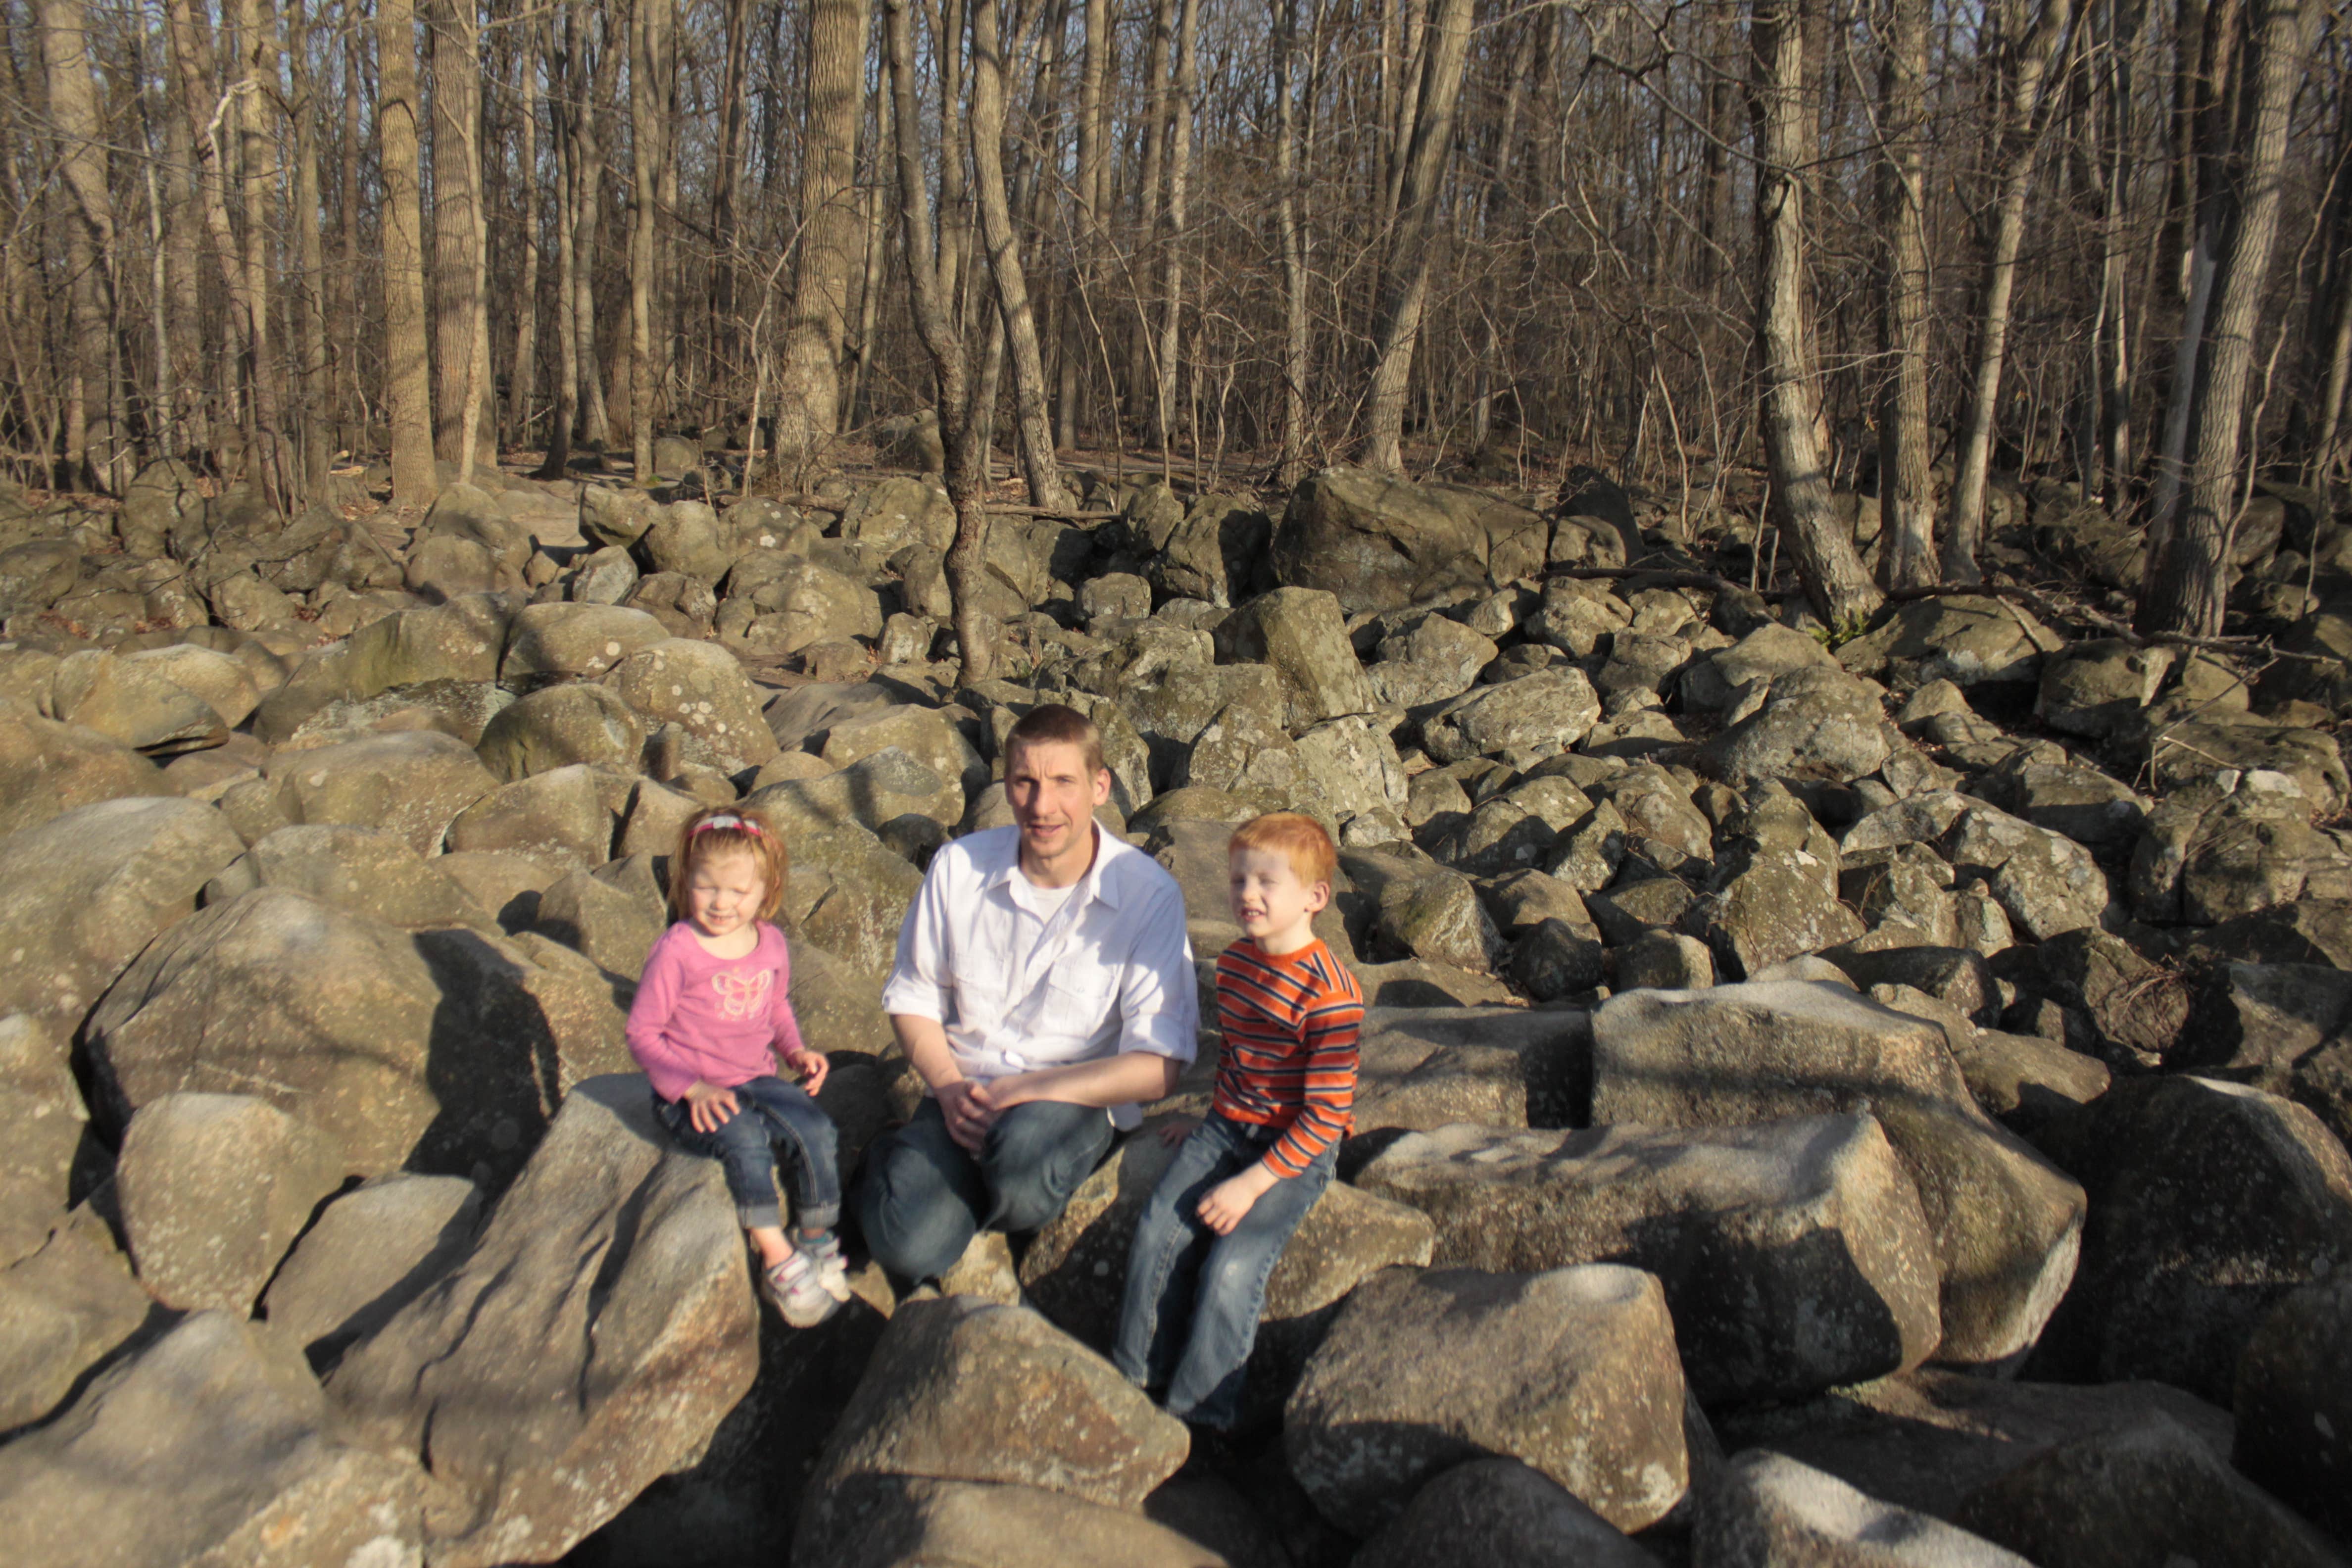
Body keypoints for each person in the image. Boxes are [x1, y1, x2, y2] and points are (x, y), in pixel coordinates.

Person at [858, 703, 1199, 1285]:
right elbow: (913, 998)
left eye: (1063, 782)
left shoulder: (1148, 896)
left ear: (1099, 787)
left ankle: (968, 1193)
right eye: (1025, 782)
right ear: (1007, 786)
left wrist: (1031, 1088)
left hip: (1064, 1103)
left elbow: (1158, 1066)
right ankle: (916, 1172)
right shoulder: (957, 868)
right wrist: (945, 1087)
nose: (1042, 807)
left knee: (1023, 1163)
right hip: (962, 1092)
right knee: (908, 1246)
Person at [1113, 811, 1362, 1433]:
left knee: (1232, 1267)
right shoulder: (1237, 966)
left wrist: (1253, 1183)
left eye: (1265, 883)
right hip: (1228, 1123)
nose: (1247, 895)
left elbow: (1327, 1113)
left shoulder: (1331, 994)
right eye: (1237, 881)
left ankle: (1201, 1418)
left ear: (1315, 897)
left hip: (1296, 1146)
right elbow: (1241, 1055)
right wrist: (1205, 1116)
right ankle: (1133, 1379)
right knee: (1156, 1232)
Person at [626, 803, 848, 1327]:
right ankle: (777, 1256)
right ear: (686, 882)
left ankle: (815, 1237)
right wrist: (688, 1088)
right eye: (707, 888)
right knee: (744, 1141)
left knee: (816, 1129)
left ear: (766, 890)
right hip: (691, 1092)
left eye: (738, 893)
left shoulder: (769, 942)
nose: (721, 904)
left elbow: (775, 1007)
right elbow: (642, 1032)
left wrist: (796, 1051)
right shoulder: (677, 950)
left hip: (757, 1077)